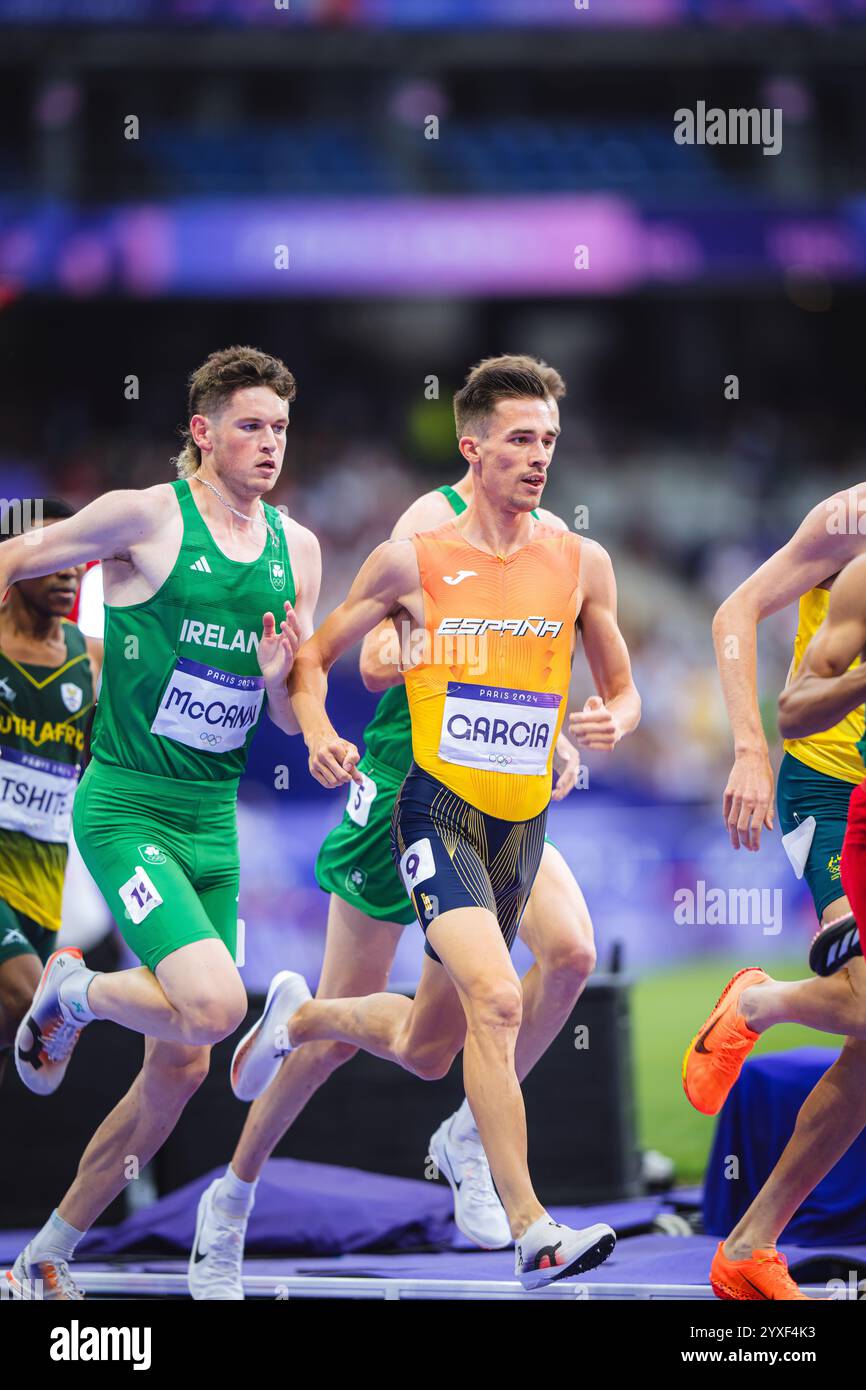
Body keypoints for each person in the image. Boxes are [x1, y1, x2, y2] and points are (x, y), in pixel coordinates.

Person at [189, 357, 600, 1299]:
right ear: (477, 443)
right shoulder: (427, 524)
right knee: (348, 1036)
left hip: (499, 794)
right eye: (521, 439)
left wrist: (553, 741)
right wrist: (401, 652)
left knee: (563, 959)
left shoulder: (551, 544)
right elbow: (372, 656)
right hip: (404, 785)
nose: (537, 457)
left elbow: (532, 657)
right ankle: (234, 1195)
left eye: (547, 441)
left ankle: (466, 1130)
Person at [3, 345, 320, 1301]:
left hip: (210, 823)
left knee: (183, 1065)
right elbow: (19, 555)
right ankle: (72, 990)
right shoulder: (146, 515)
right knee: (220, 1007)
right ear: (203, 430)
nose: (268, 445)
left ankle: (46, 1252)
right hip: (127, 805)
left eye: (278, 429)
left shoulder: (295, 549)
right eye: (249, 427)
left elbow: (277, 707)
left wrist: (280, 691)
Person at [683, 485, 866, 1299]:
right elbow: (735, 612)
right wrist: (750, 749)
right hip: (831, 792)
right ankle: (761, 1003)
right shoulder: (849, 523)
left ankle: (749, 1246)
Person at [0, 499, 102, 1090]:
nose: (69, 570)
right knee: (26, 999)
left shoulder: (92, 658)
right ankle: (88, 998)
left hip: (43, 876)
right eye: (52, 556)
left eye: (75, 558)